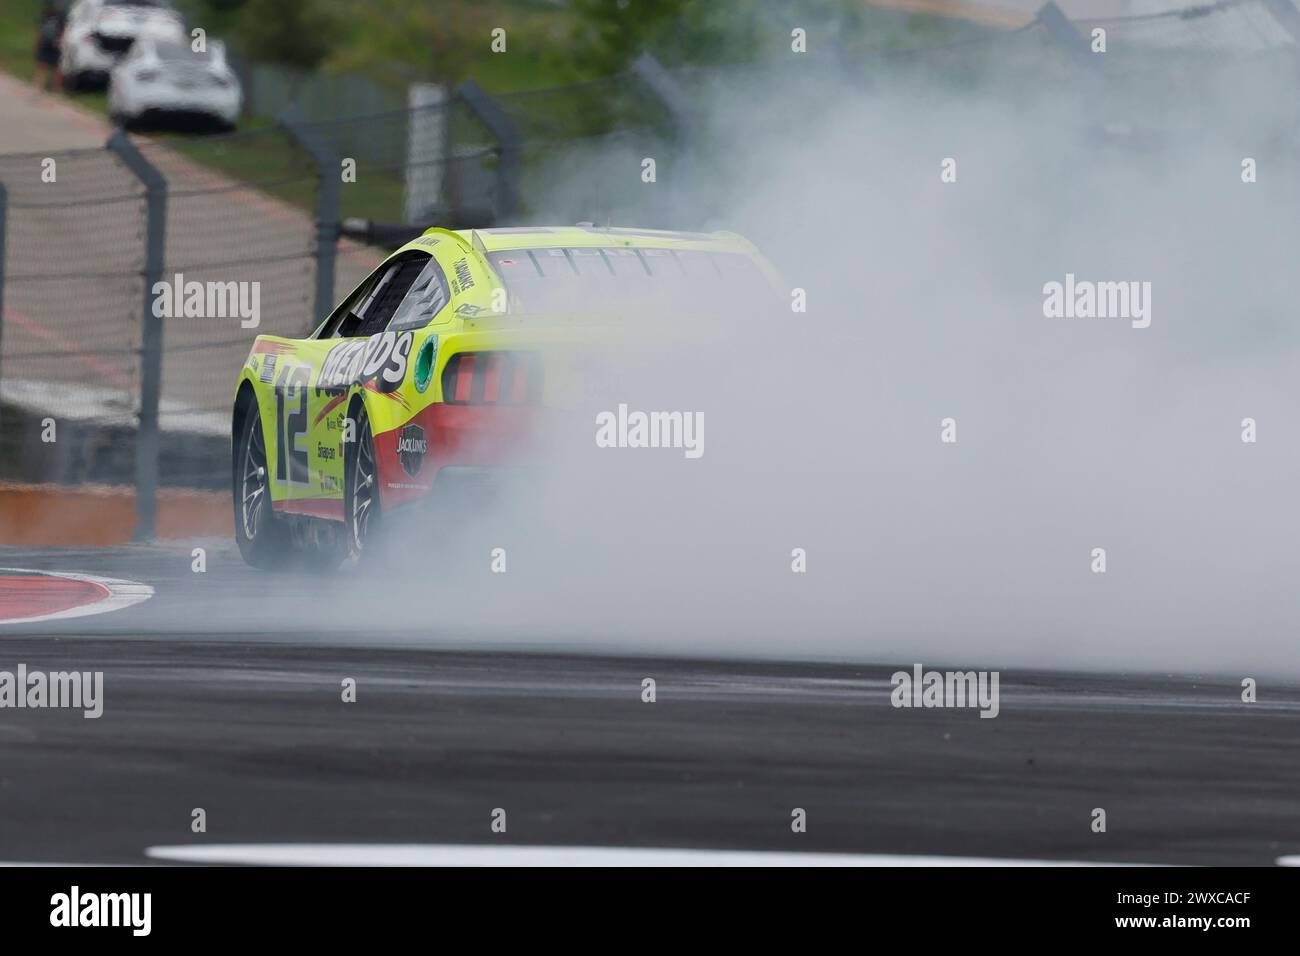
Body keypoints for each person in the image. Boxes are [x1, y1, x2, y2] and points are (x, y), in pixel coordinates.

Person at [34, 1, 66, 93]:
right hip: (47, 43)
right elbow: (40, 31)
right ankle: (41, 85)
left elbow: (63, 30)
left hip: (52, 44)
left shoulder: (58, 17)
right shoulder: (46, 17)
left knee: (54, 67)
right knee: (43, 66)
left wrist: (60, 41)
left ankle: (53, 87)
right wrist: (38, 42)